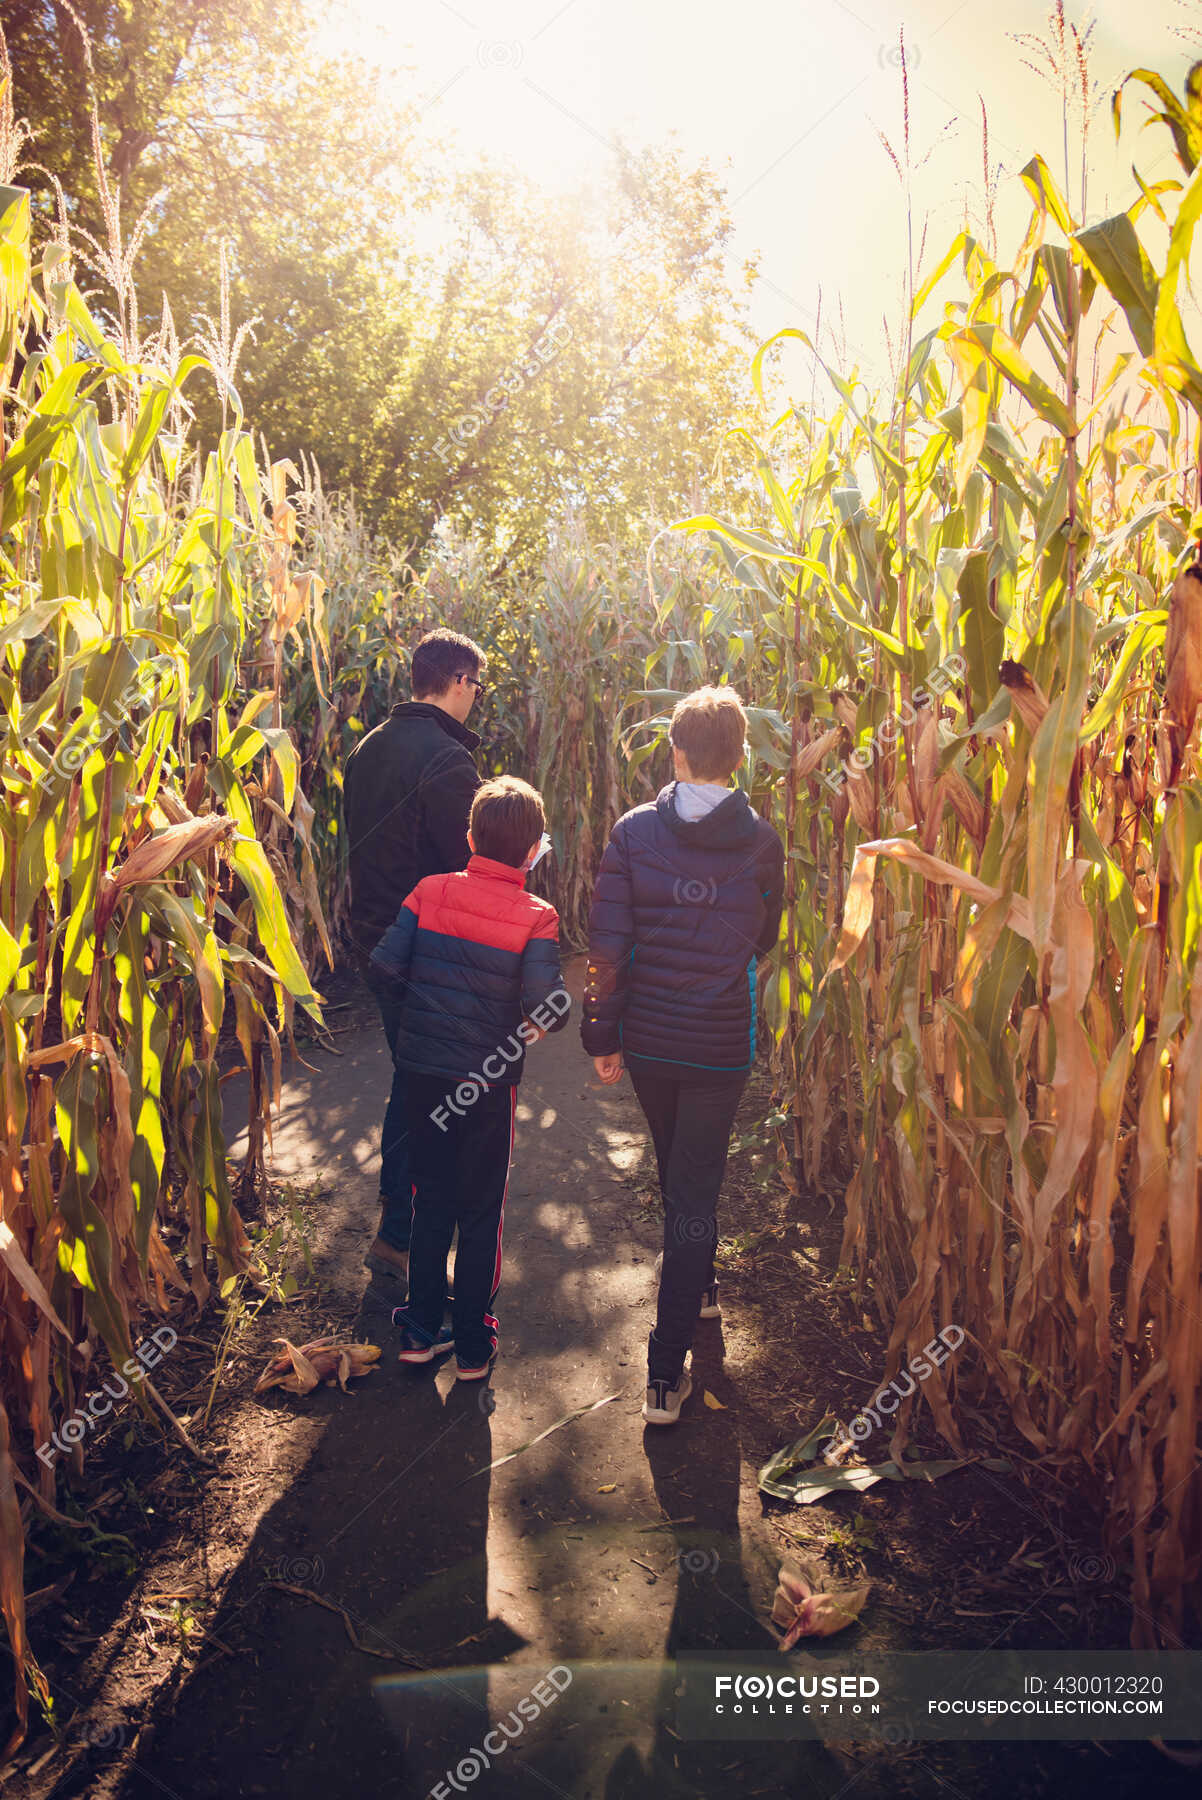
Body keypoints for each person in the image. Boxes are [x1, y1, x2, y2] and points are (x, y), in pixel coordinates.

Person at [581, 686, 784, 1426]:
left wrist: (603, 1035)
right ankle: (677, 1346)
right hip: (721, 1044)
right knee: (691, 1186)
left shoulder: (634, 833)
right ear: (739, 757)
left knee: (682, 1179)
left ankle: (665, 1366)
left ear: (676, 752)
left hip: (653, 1044)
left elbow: (605, 948)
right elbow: (766, 932)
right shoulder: (762, 838)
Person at [369, 776, 570, 1380]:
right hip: (489, 1084)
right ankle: (476, 1345)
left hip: (425, 1076)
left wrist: (419, 1028)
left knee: (429, 1198)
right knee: (483, 1210)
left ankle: (420, 1330)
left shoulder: (429, 891)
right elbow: (548, 1008)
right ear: (533, 849)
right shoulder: (537, 915)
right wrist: (521, 1034)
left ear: (470, 836)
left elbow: (383, 968)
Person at [343, 627, 486, 1286]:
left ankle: (401, 1228)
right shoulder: (448, 761)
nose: (478, 697)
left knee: (413, 1074)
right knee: (427, 1084)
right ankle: (403, 1230)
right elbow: (472, 866)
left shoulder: (369, 748)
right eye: (477, 684)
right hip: (427, 945)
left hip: (373, 935)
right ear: (459, 680)